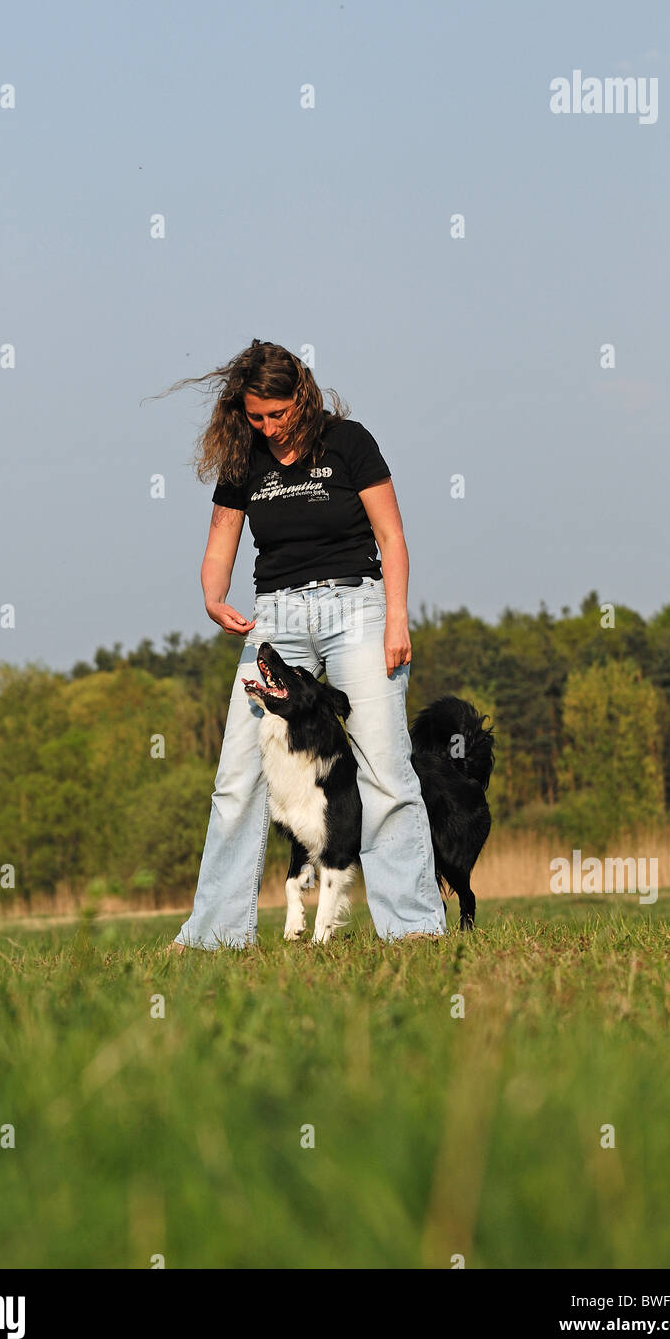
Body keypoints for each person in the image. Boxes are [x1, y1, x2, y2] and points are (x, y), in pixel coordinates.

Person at [151, 339, 445, 950]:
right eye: (257, 417)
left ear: (302, 397)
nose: (269, 427)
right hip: (275, 621)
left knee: (384, 770)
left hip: (356, 609)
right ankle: (215, 934)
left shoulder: (349, 442)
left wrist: (397, 619)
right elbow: (219, 545)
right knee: (237, 778)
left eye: (278, 414)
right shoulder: (243, 459)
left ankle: (412, 928)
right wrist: (213, 598)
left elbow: (391, 536)